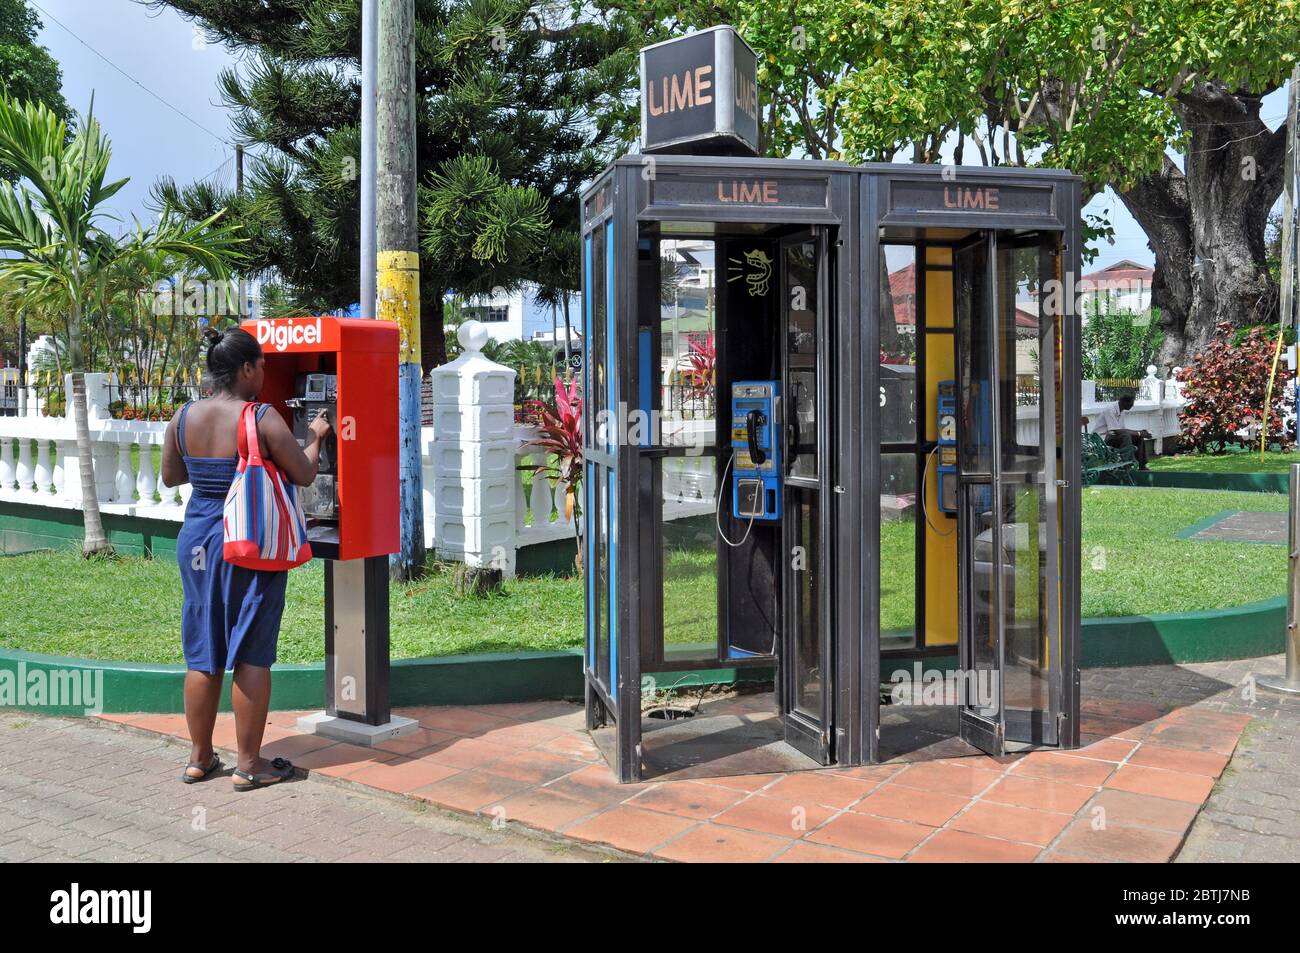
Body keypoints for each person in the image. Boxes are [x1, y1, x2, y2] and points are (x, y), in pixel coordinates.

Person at [161, 327, 331, 791]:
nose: (264, 375)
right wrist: (316, 434)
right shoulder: (261, 416)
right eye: (262, 367)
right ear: (246, 369)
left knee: (203, 651)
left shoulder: (183, 417)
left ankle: (199, 759)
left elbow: (172, 477)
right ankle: (249, 764)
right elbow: (303, 470)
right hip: (249, 542)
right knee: (251, 652)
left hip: (197, 542)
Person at [1089, 393, 1150, 470]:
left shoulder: (1121, 411)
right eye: (1131, 403)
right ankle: (1127, 465)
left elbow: (1122, 430)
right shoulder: (1110, 410)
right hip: (1101, 440)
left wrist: (1139, 433)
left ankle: (1142, 466)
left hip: (1112, 437)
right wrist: (1139, 432)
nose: (1132, 405)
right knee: (1126, 436)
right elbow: (1117, 431)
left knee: (1138, 437)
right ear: (1124, 402)